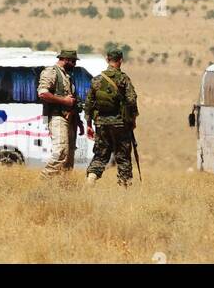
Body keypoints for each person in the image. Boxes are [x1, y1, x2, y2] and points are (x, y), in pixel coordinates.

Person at [84, 47, 139, 186]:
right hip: (120, 124)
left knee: (100, 155)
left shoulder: (96, 80)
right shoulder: (123, 79)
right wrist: (132, 120)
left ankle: (91, 177)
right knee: (123, 156)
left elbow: (89, 103)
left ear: (107, 60)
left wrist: (89, 124)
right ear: (121, 60)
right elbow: (132, 100)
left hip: (101, 124)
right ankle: (124, 186)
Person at [38, 49, 82, 179]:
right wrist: (64, 101)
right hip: (57, 117)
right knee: (60, 152)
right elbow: (43, 93)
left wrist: (78, 121)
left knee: (69, 158)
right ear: (66, 60)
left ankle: (63, 190)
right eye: (73, 61)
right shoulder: (51, 72)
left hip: (70, 119)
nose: (75, 64)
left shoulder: (68, 76)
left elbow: (72, 101)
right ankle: (43, 180)